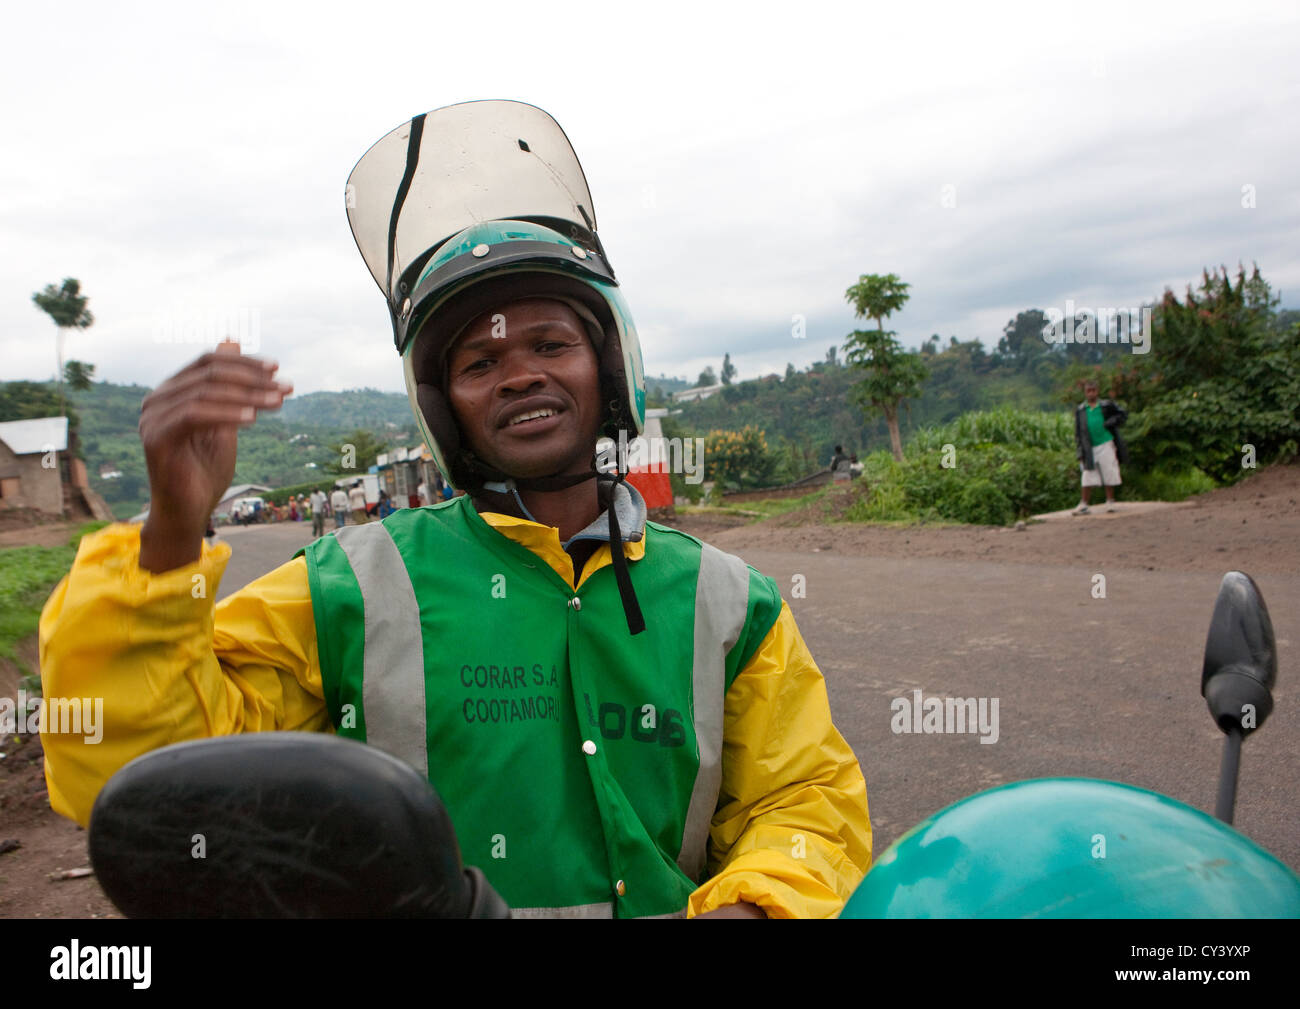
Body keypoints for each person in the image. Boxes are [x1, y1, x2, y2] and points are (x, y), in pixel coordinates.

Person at [38, 100, 869, 919]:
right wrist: (169, 534)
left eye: (550, 344)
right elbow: (150, 772)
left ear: (609, 369)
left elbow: (803, 800)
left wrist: (757, 907)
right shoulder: (351, 588)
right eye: (480, 361)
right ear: (446, 409)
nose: (518, 375)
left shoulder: (730, 604)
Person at [1073, 379, 1128, 514]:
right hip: (1089, 447)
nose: (1091, 394)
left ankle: (1110, 501)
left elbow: (1122, 414)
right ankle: (1084, 504)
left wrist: (1111, 421)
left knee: (1108, 471)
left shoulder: (1106, 406)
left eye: (1093, 391)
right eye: (1088, 391)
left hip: (1105, 443)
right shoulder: (1081, 410)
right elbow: (1078, 432)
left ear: (1097, 392)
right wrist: (1080, 451)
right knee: (1087, 475)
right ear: (1085, 393)